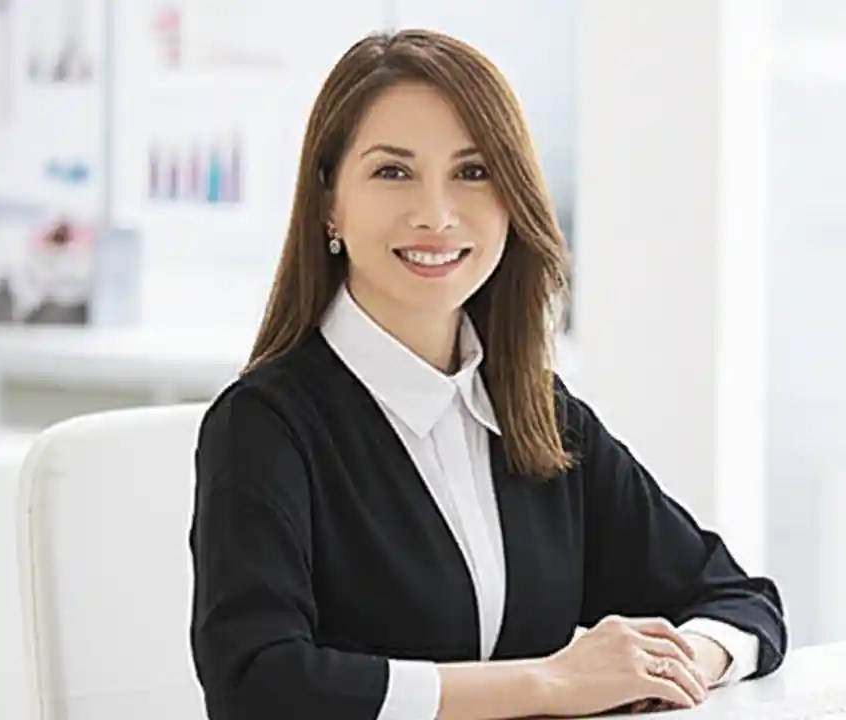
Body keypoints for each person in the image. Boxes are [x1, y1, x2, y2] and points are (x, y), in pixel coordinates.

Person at [189, 29, 787, 720]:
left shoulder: (537, 417)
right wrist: (550, 683)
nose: (436, 215)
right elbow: (259, 684)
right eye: (393, 172)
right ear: (330, 201)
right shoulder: (265, 425)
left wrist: (670, 668)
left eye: (472, 172)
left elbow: (740, 601)